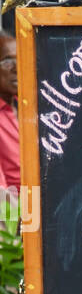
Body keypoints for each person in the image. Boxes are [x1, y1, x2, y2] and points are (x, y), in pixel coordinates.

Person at [0, 35, 19, 192]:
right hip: (16, 207)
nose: (16, 67)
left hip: (41, 200)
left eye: (20, 59)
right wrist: (13, 215)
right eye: (7, 61)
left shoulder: (26, 105)